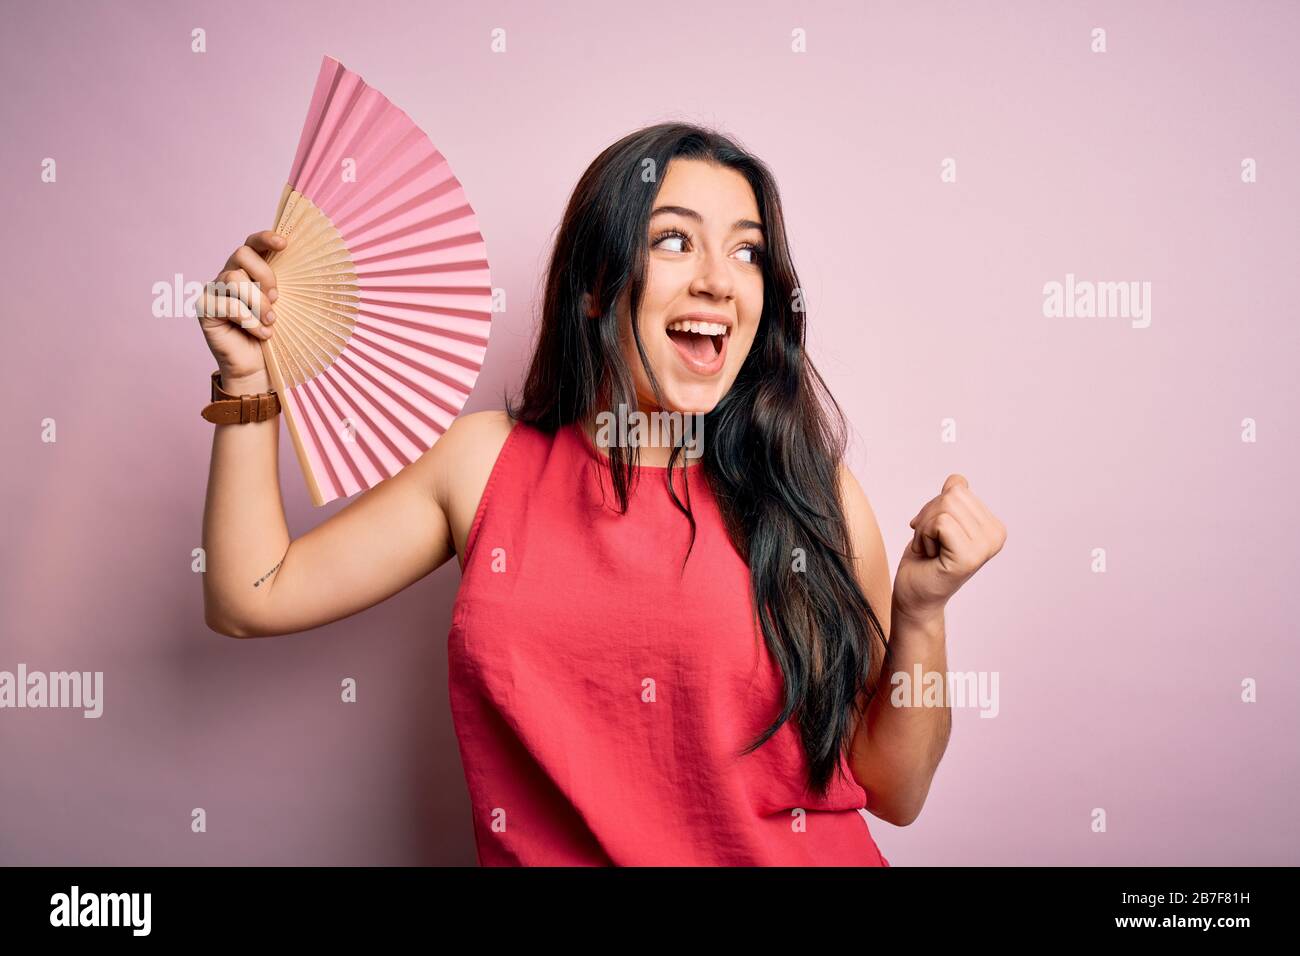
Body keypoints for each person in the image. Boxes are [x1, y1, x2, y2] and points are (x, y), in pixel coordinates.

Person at [197, 123, 1007, 866]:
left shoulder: (812, 493)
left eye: (748, 252)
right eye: (675, 241)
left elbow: (895, 791)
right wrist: (245, 383)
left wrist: (923, 614)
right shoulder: (485, 465)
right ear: (594, 285)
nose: (720, 281)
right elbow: (251, 595)